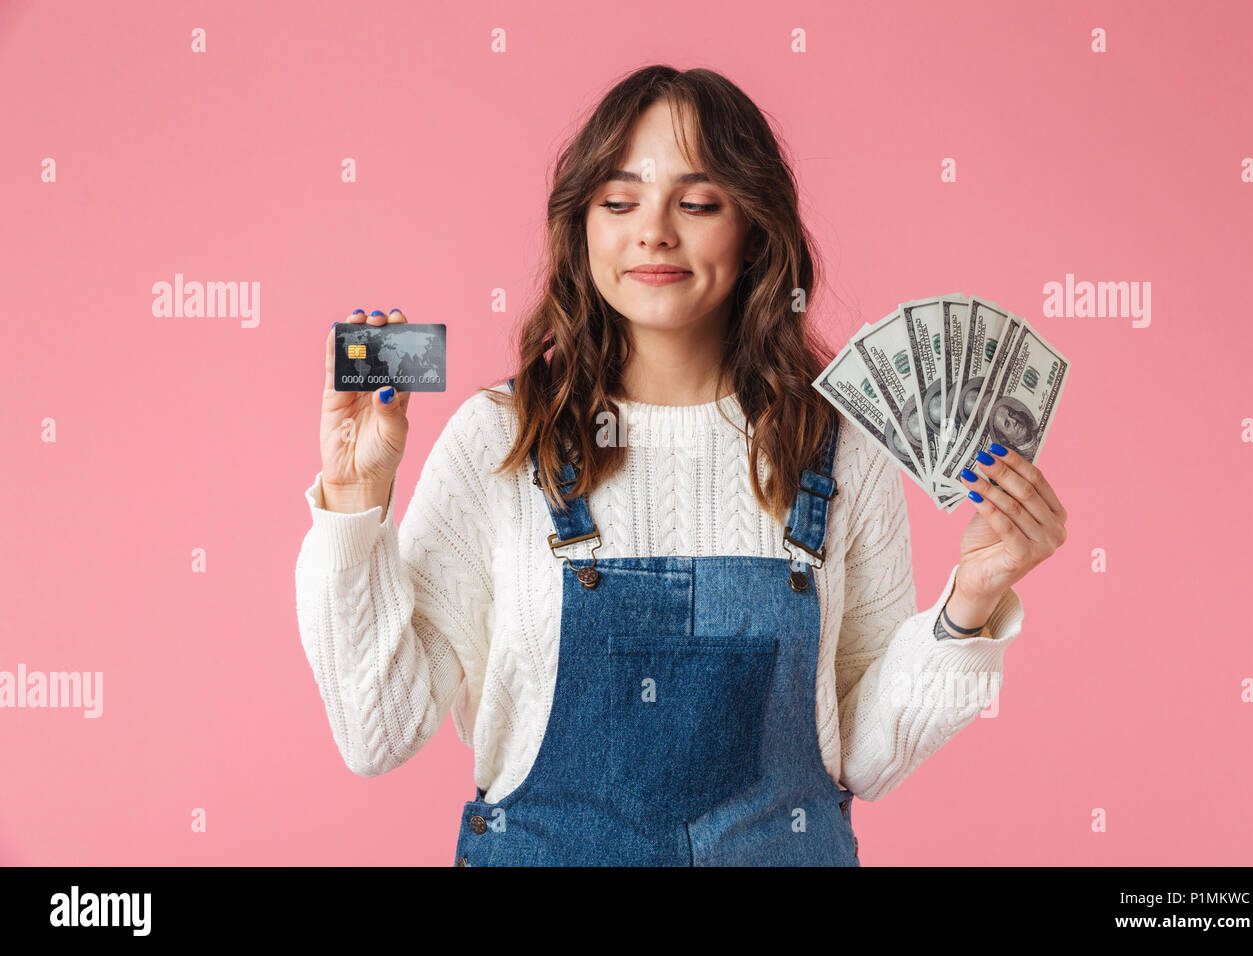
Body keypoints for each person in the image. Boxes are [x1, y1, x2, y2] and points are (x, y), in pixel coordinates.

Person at [295, 65, 1068, 867]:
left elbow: (864, 761)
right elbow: (375, 735)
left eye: (697, 204)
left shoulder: (838, 447)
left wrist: (970, 601)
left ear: (755, 230)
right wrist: (354, 500)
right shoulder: (501, 440)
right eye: (619, 202)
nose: (654, 233)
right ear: (582, 227)